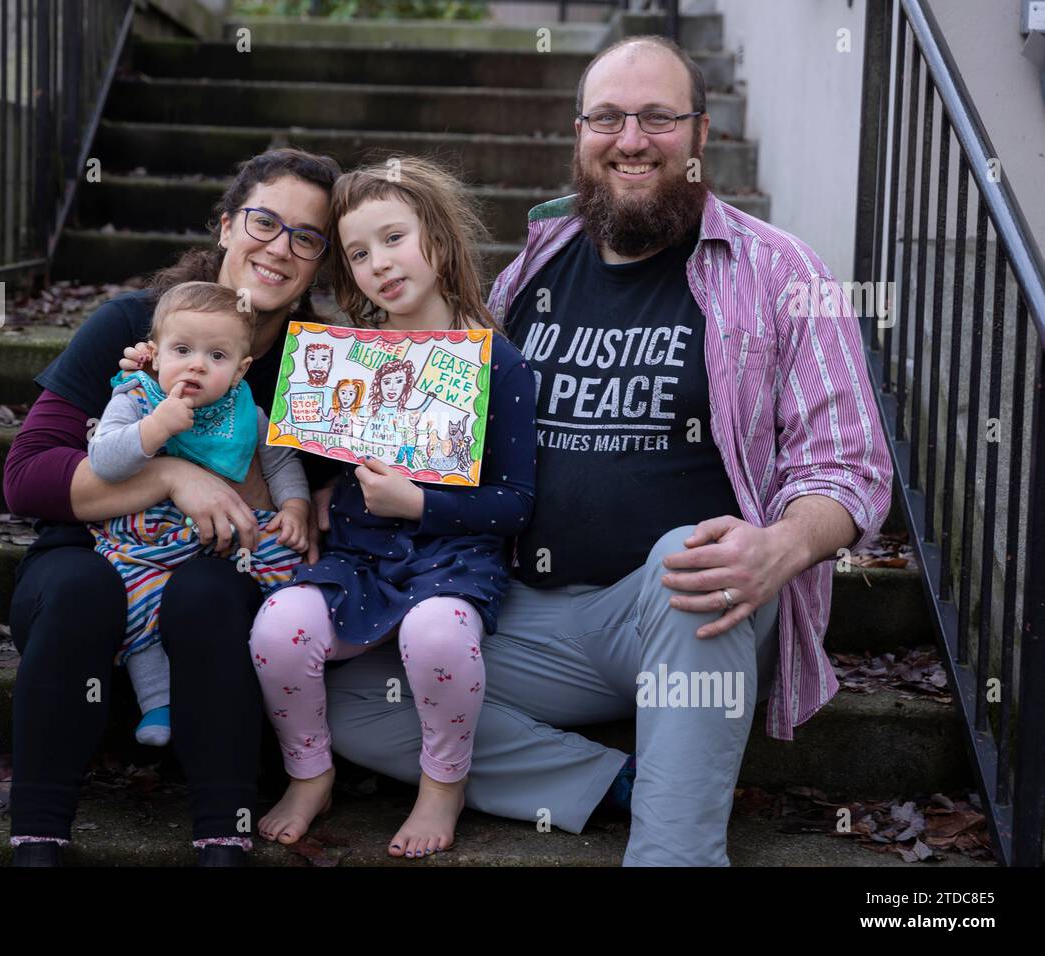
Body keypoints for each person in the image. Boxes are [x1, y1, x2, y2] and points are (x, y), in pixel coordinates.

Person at [323, 36, 893, 866]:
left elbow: (850, 466)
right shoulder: (530, 274)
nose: (631, 139)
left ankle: (671, 852)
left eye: (658, 117)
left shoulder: (779, 272)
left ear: (700, 134)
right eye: (608, 118)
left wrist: (780, 545)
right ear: (579, 132)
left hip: (689, 611)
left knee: (690, 558)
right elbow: (431, 392)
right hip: (524, 611)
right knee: (348, 693)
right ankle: (606, 782)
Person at [2, 148, 342, 867]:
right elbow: (27, 476)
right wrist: (168, 478)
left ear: (320, 262)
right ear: (225, 227)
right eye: (264, 222)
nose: (280, 248)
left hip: (217, 586)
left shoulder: (320, 366)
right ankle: (37, 838)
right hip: (95, 560)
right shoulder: (135, 327)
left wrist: (307, 498)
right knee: (77, 586)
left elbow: (312, 506)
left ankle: (224, 833)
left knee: (211, 590)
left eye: (306, 238)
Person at [248, 156, 538, 859]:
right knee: (277, 628)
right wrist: (317, 488)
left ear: (436, 242)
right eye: (357, 252)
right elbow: (317, 451)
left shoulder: (496, 363)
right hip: (357, 558)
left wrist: (420, 504)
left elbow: (517, 504)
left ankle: (443, 783)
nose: (378, 263)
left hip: (453, 558)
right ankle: (309, 772)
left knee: (437, 637)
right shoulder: (353, 358)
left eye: (393, 238)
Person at [86, 281, 311, 748]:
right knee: (135, 600)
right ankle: (158, 702)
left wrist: (294, 506)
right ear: (154, 354)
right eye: (183, 349)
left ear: (240, 369)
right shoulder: (136, 398)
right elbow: (104, 461)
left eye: (216, 356)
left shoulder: (246, 413)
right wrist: (153, 430)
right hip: (149, 537)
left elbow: (282, 462)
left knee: (290, 563)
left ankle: (284, 666)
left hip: (228, 531)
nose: (196, 364)